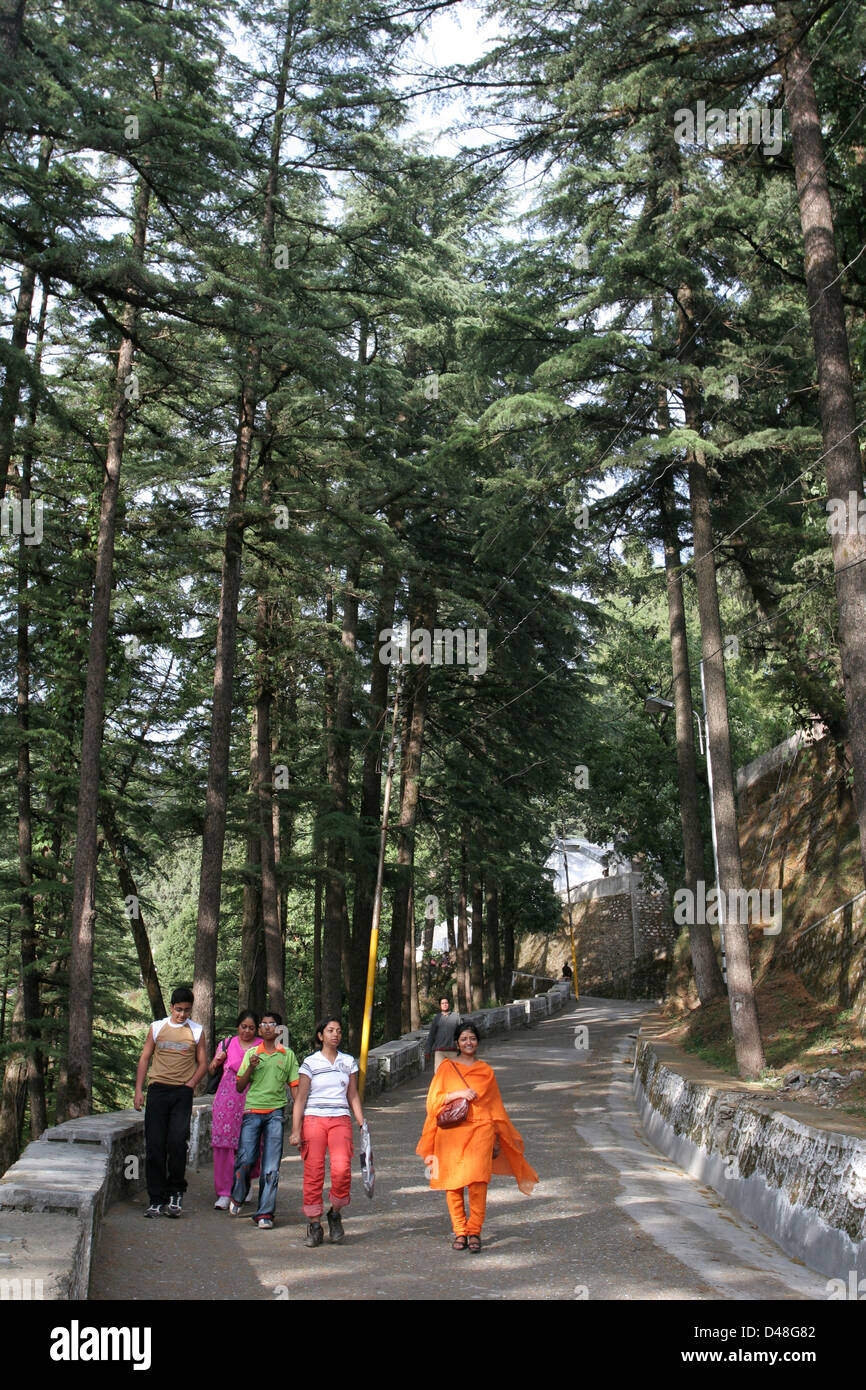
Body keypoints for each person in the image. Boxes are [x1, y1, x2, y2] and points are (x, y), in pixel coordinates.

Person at [416, 1021, 537, 1252]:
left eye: (472, 1038)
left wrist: (497, 1138)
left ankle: (475, 1231)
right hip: (451, 1132)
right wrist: (457, 1094)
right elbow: (433, 1102)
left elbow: (495, 1109)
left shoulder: (486, 1071)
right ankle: (460, 1231)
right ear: (457, 1044)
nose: (468, 1042)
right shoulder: (446, 1068)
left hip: (481, 1129)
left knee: (478, 1183)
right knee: (453, 1184)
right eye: (464, 1039)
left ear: (477, 1042)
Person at [290, 1016, 365, 1248]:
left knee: (342, 1169)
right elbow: (300, 1098)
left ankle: (335, 1213)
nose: (335, 1035)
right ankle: (314, 1224)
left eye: (339, 1031)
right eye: (330, 1030)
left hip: (340, 1120)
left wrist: (362, 1123)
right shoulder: (310, 1063)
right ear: (321, 1036)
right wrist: (295, 1130)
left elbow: (352, 1095)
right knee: (314, 1172)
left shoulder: (348, 1062)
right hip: (314, 1120)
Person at [134, 985, 207, 1218]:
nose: (182, 1015)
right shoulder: (157, 1028)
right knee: (155, 1145)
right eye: (178, 1010)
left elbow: (203, 1062)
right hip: (157, 1090)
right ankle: (156, 1197)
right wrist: (139, 1090)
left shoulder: (196, 1031)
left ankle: (176, 1191)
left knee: (176, 1143)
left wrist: (191, 1084)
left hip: (181, 1093)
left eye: (187, 1010)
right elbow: (145, 1058)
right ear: (171, 1007)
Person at [229, 1011, 299, 1229]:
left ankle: (265, 1213)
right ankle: (238, 1194)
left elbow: (295, 1088)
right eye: (264, 1024)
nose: (268, 1027)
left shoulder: (287, 1055)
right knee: (246, 1158)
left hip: (276, 1113)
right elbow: (240, 1087)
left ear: (279, 1030)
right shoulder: (252, 1053)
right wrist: (251, 1065)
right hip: (252, 1111)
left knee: (271, 1165)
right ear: (260, 1030)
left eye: (273, 1024)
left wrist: (300, 1120)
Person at [209, 1010, 261, 1209]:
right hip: (226, 1097)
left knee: (250, 1143)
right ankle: (223, 1191)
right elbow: (212, 1070)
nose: (247, 1031)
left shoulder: (261, 1046)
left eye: (251, 1028)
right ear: (237, 1026)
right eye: (243, 1027)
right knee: (224, 1145)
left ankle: (244, 1184)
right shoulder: (226, 1043)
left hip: (252, 1096)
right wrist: (216, 1061)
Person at [426, 995, 462, 1072]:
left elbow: (462, 1033)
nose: (445, 1005)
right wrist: (428, 1050)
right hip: (440, 1051)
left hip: (453, 1051)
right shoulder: (436, 1018)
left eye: (446, 1003)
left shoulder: (456, 1017)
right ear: (440, 1005)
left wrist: (462, 1049)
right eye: (442, 1003)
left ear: (449, 1004)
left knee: (455, 1073)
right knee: (439, 1074)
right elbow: (431, 1036)